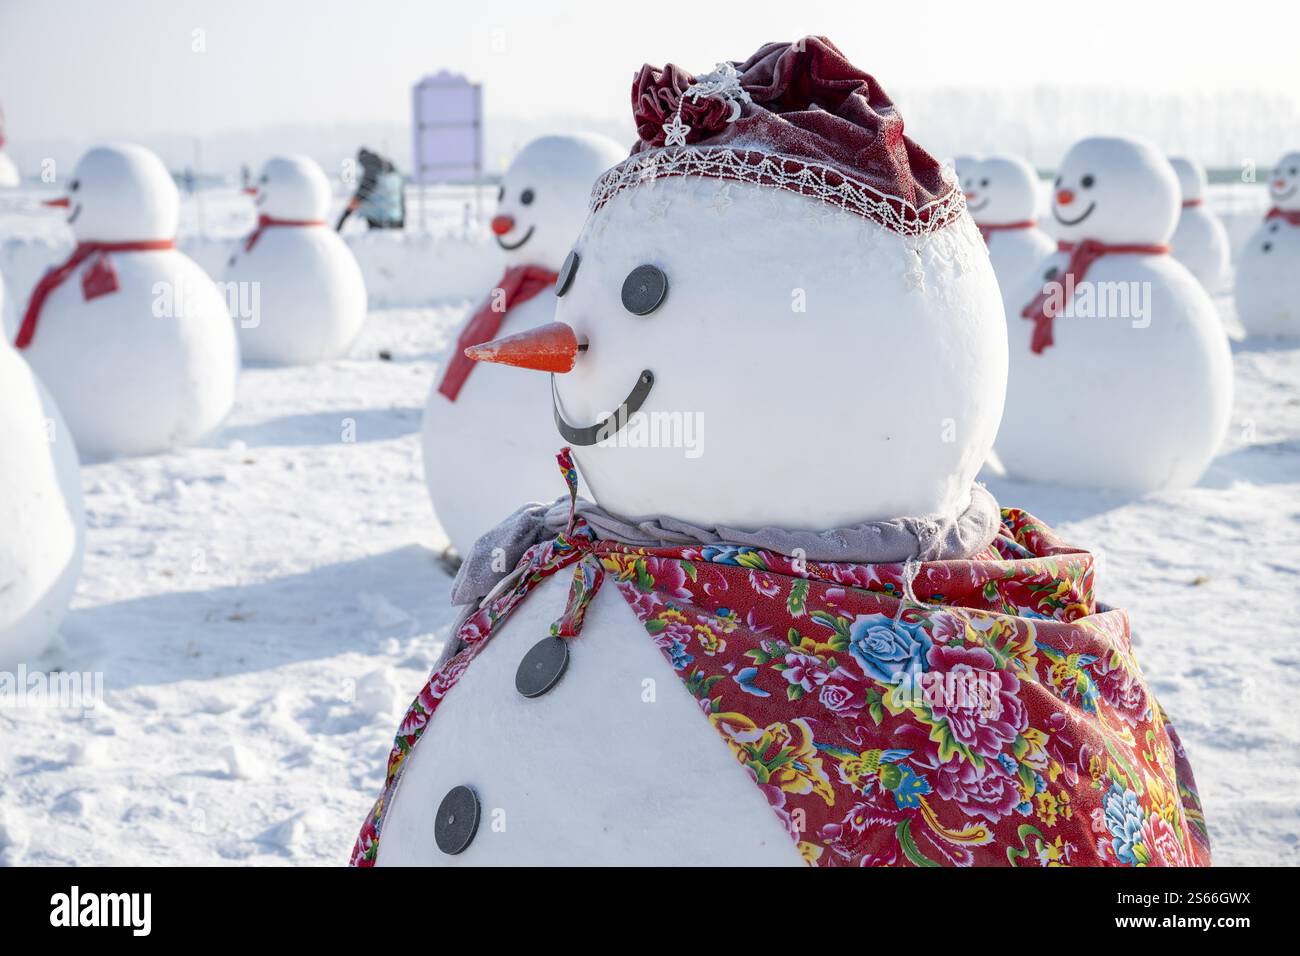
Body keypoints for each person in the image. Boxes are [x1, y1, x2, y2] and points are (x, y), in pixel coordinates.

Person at [336, 147, 405, 230]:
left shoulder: (371, 168)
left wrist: (344, 217)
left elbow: (363, 191)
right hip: (395, 215)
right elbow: (401, 197)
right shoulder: (392, 171)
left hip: (379, 217)